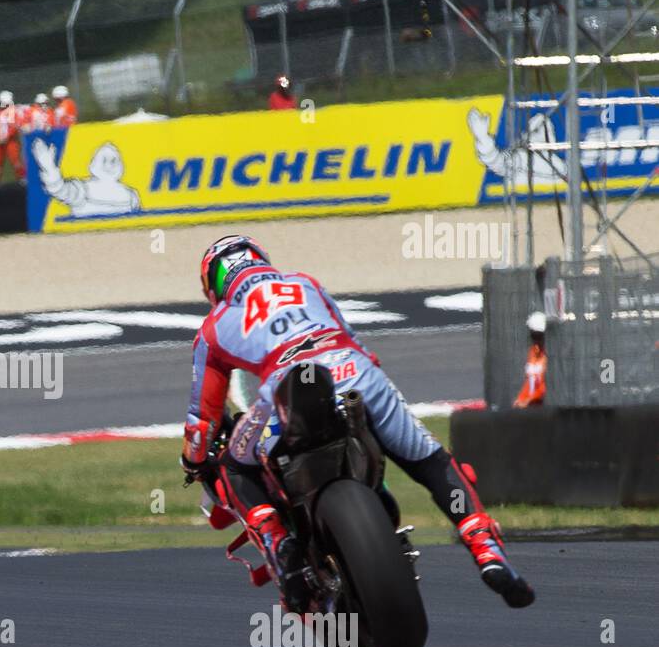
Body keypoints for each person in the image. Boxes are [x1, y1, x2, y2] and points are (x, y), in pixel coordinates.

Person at [180, 234, 535, 612]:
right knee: (431, 460)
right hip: (356, 373)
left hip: (283, 388)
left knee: (235, 467)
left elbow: (202, 418)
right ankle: (487, 550)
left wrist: (193, 461)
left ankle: (279, 546)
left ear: (213, 287)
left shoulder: (214, 326)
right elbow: (353, 341)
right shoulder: (306, 283)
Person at [513, 312, 547, 408]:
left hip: (543, 403)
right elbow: (530, 381)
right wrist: (521, 398)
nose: (536, 340)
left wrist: (529, 400)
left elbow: (546, 386)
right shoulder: (533, 352)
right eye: (533, 336)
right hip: (532, 403)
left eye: (539, 336)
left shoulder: (550, 356)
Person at [0, 90, 26, 184]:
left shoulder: (12, 111)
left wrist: (6, 137)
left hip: (10, 141)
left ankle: (22, 179)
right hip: (0, 141)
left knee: (15, 161)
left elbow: (13, 127)